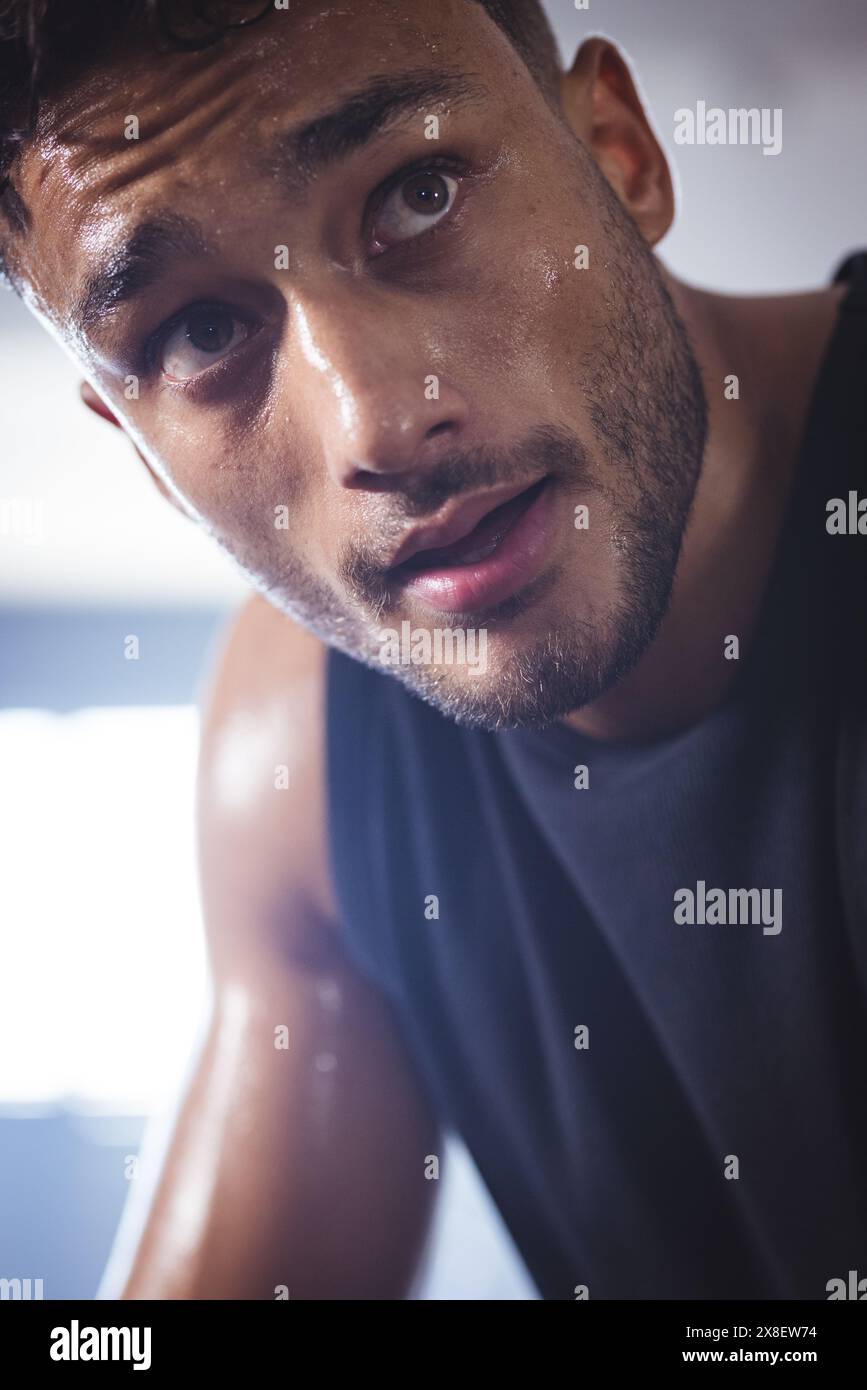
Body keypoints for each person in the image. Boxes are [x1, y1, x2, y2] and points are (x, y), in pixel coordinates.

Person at [1, 0, 864, 1300]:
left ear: (619, 154)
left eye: (416, 194)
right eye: (201, 333)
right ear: (143, 462)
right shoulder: (295, 747)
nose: (379, 421)